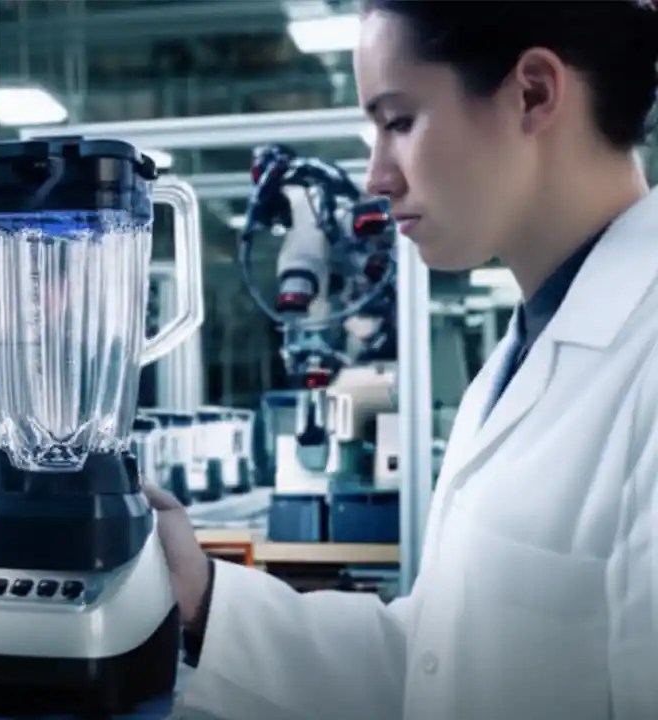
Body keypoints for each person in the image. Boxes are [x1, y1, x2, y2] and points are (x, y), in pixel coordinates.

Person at [151, 2, 658, 718]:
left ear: (535, 93)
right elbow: (437, 663)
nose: (376, 177)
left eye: (399, 121)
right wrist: (200, 595)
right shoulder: (524, 354)